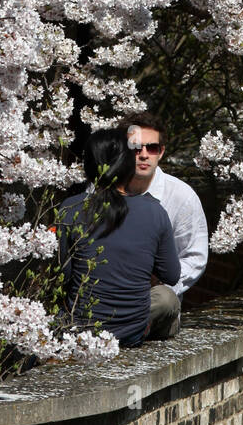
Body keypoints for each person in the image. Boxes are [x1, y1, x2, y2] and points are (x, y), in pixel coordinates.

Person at [56, 127, 180, 347]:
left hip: (80, 329)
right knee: (167, 298)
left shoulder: (70, 208)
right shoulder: (154, 211)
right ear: (126, 164)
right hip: (132, 332)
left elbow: (63, 275)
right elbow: (171, 275)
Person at [124, 110, 209, 340]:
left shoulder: (182, 197)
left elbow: (195, 257)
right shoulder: (103, 190)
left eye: (151, 148)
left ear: (161, 152)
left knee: (164, 299)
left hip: (154, 299)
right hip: (112, 289)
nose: (143, 155)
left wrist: (163, 280)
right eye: (135, 148)